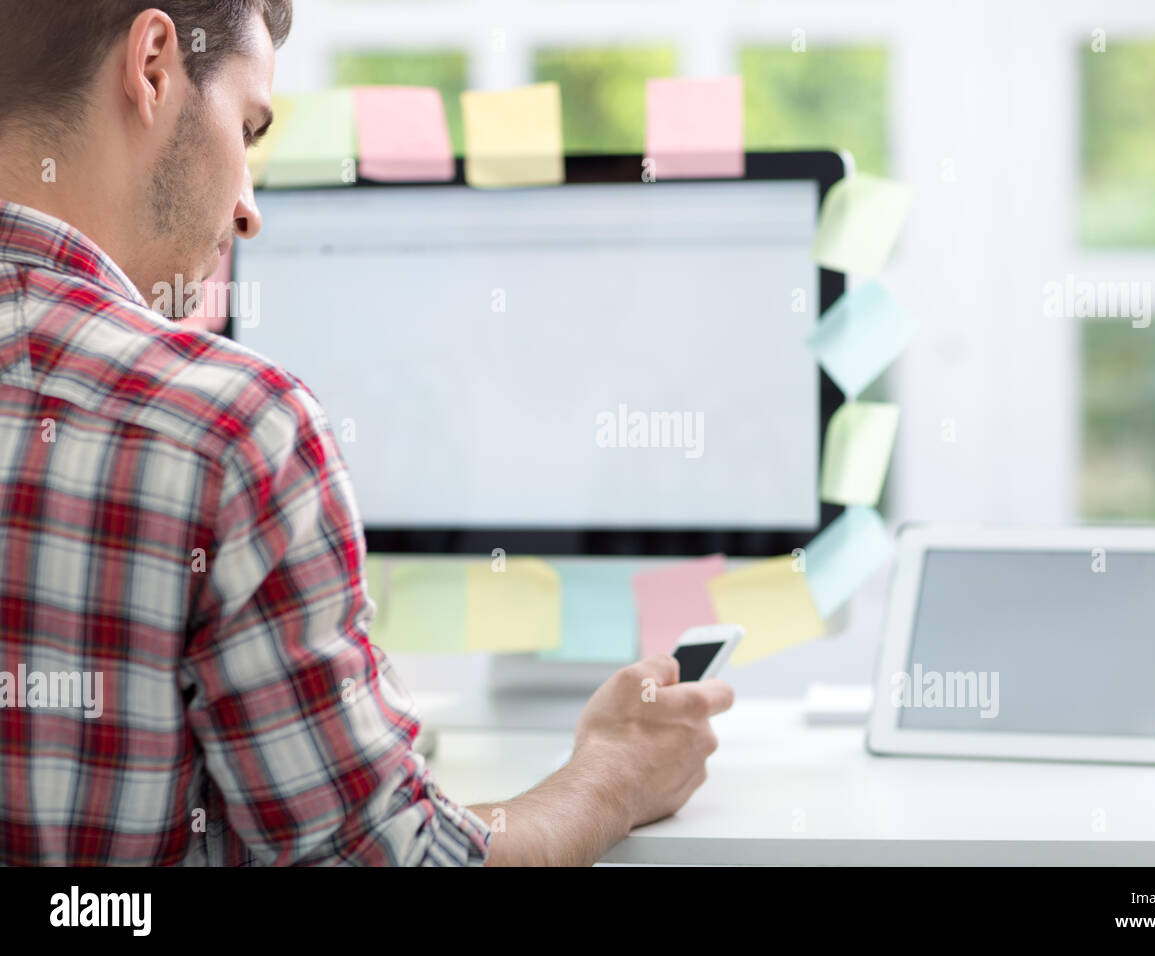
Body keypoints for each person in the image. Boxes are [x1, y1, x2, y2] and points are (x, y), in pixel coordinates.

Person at [0, 0, 732, 866]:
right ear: (155, 65)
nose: (248, 210)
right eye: (248, 125)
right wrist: (615, 773)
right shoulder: (231, 434)